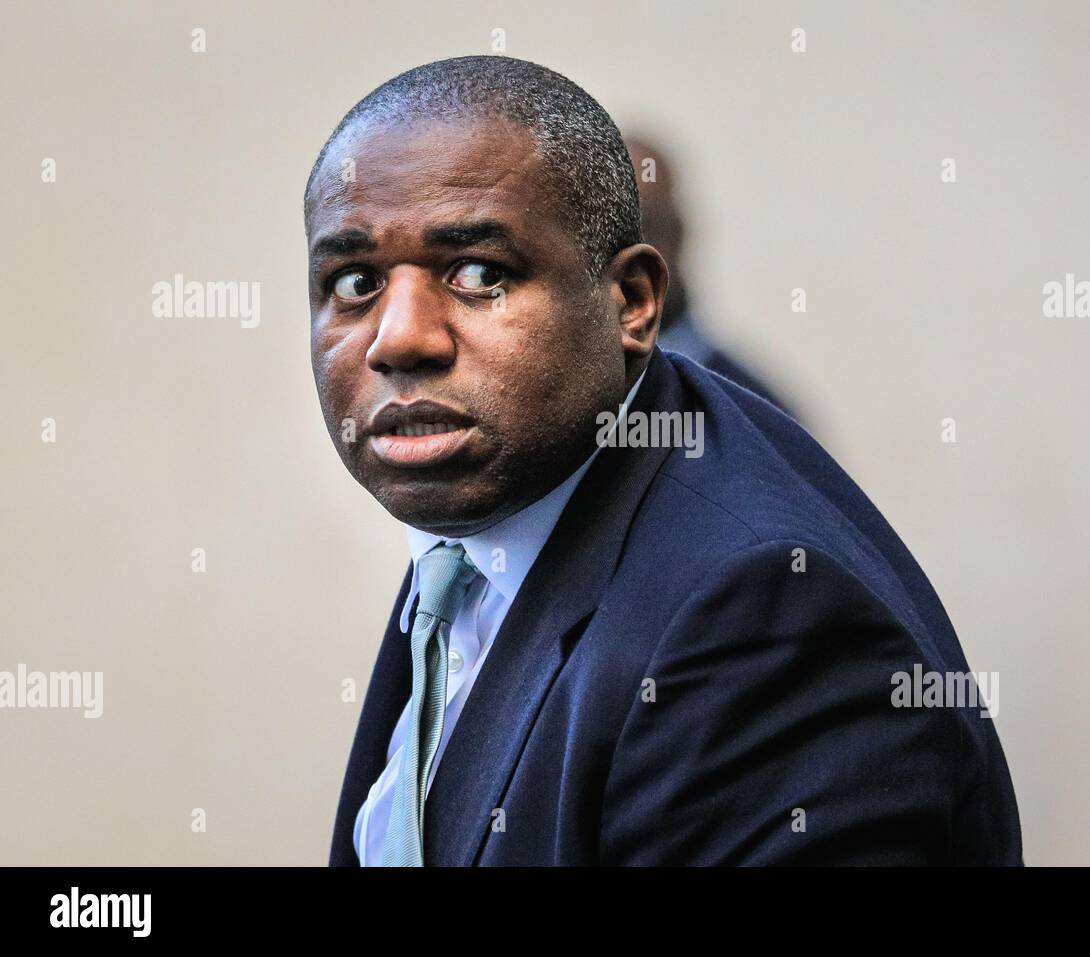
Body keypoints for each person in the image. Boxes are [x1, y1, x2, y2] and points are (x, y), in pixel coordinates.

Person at [305, 55, 1022, 865]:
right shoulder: (483, 522)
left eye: (479, 274)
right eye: (356, 280)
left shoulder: (759, 617)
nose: (398, 338)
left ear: (631, 303)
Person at [623, 132, 796, 416]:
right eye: (606, 235)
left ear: (679, 234)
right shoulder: (550, 399)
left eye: (647, 226)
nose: (626, 257)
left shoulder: (755, 413)